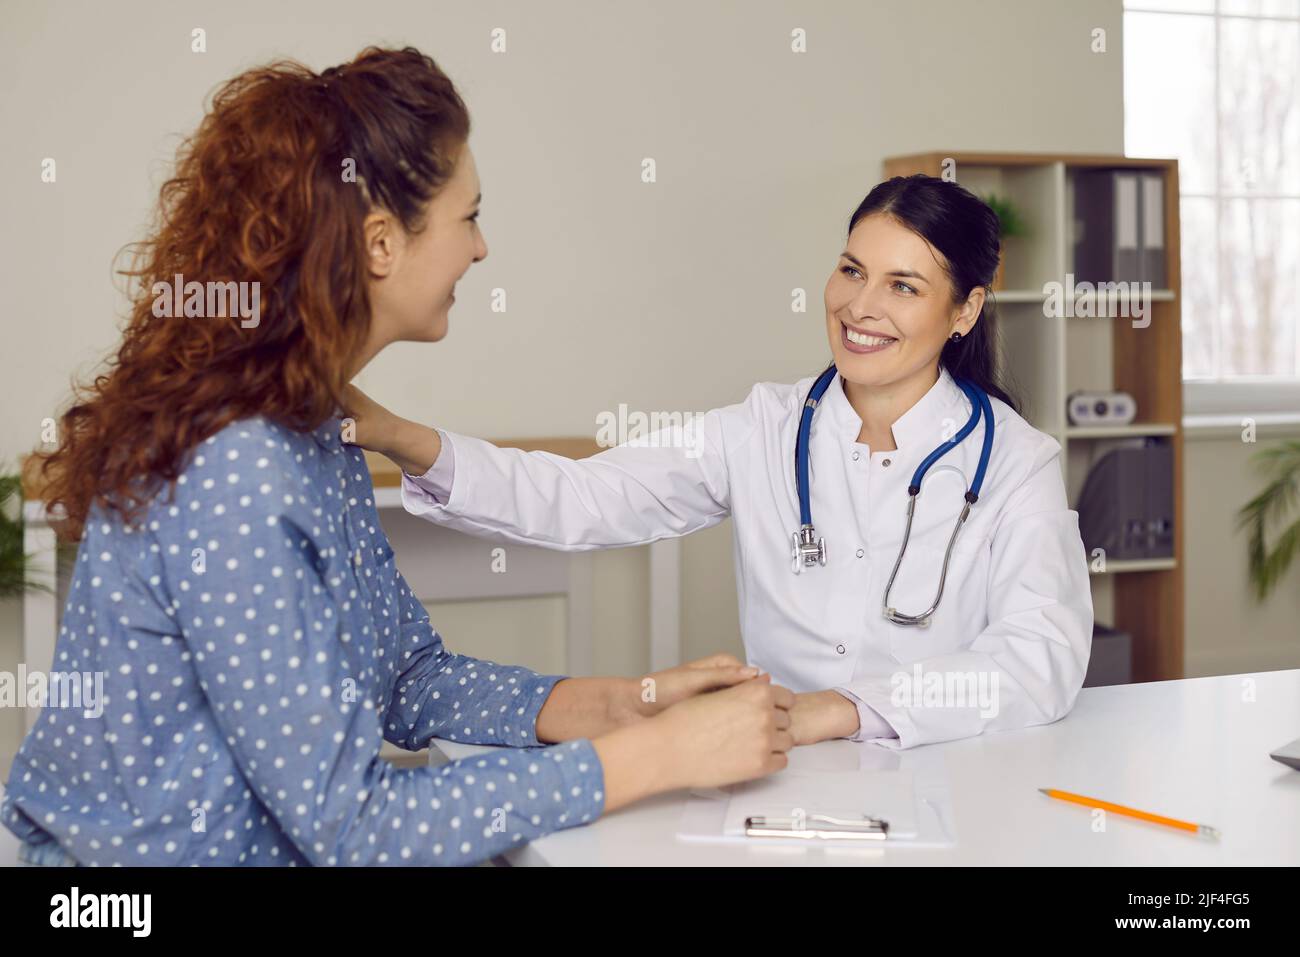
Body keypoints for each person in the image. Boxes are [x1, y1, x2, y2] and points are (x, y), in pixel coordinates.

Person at [1, 46, 796, 868]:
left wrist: (627, 706)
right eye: (470, 216)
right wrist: (657, 759)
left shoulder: (317, 425)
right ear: (381, 242)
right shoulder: (237, 469)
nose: (481, 249)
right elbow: (353, 827)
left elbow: (408, 678)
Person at [349, 174, 1096, 752]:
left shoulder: (1015, 462)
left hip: (954, 784)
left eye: (903, 286)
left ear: (964, 311)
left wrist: (838, 710)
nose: (861, 306)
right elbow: (586, 495)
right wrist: (404, 437)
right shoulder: (764, 428)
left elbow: (1040, 659)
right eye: (851, 270)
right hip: (783, 772)